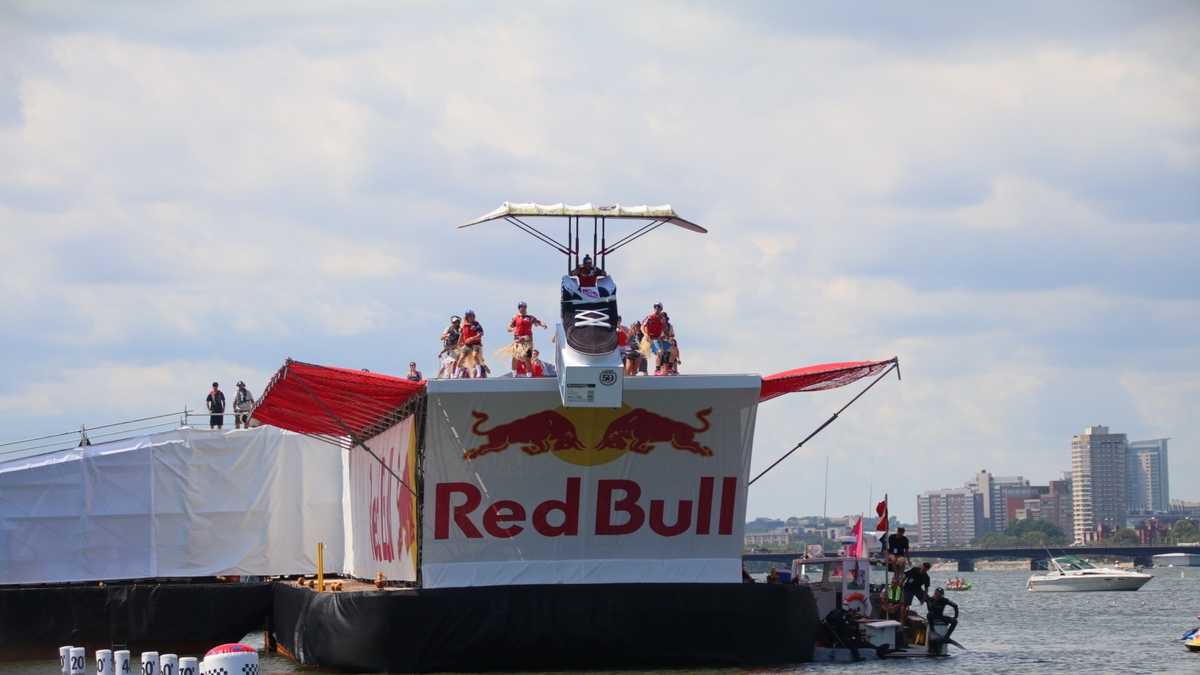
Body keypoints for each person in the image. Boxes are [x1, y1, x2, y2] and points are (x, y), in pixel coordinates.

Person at [506, 301, 546, 374]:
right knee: (515, 357)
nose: (524, 308)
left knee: (527, 358)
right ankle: (514, 373)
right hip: (518, 340)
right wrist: (512, 329)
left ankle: (529, 374)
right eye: (522, 307)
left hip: (528, 341)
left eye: (525, 307)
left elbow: (538, 322)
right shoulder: (515, 318)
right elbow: (508, 327)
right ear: (519, 308)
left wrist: (543, 325)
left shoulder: (530, 317)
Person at [458, 310, 485, 378]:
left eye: (472, 316)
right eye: (469, 316)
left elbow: (480, 334)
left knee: (475, 355)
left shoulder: (476, 324)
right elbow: (462, 334)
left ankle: (479, 373)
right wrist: (459, 342)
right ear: (467, 317)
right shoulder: (464, 325)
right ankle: (456, 374)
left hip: (476, 344)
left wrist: (472, 338)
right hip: (467, 345)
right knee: (461, 358)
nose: (471, 317)